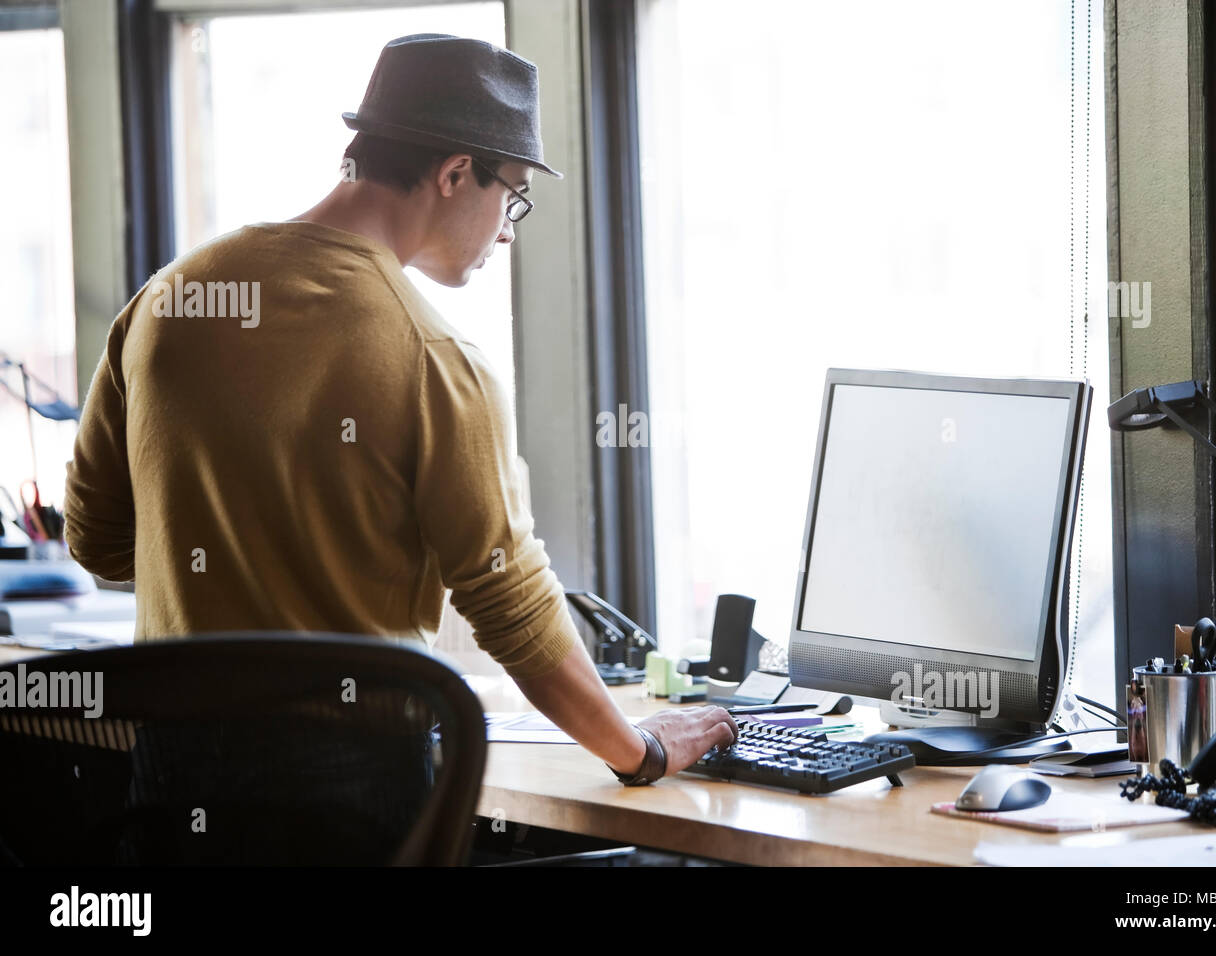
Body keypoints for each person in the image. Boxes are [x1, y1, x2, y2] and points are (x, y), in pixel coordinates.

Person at [64, 33, 737, 790]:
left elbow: (96, 539)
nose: (507, 228)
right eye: (512, 196)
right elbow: (509, 603)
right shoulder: (434, 357)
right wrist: (639, 750)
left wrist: (230, 570)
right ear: (455, 173)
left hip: (171, 773)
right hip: (344, 784)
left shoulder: (170, 298)